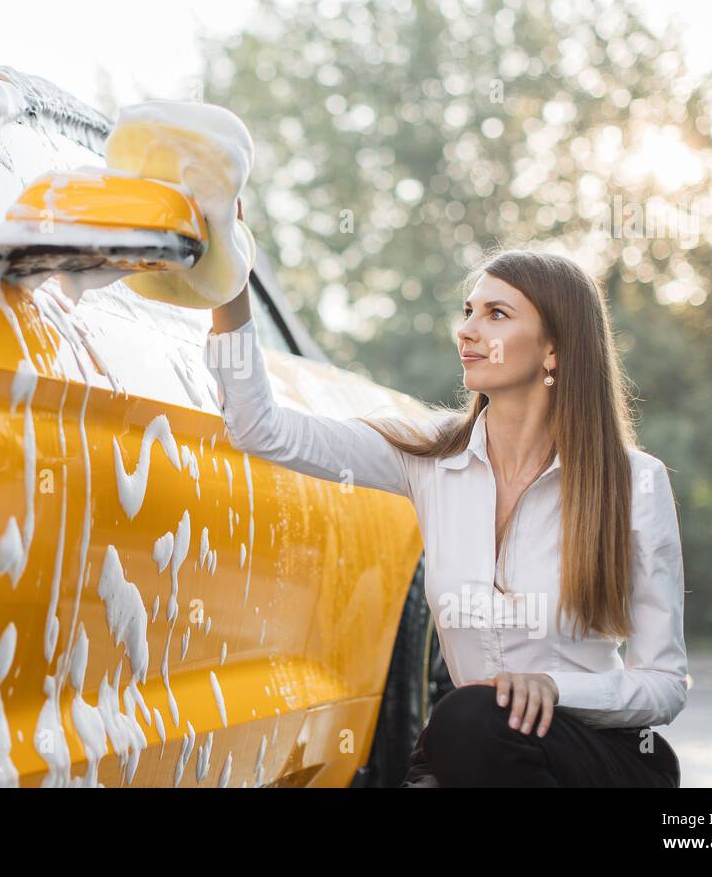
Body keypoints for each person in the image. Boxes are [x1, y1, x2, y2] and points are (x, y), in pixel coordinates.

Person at [205, 208, 687, 787]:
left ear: (554, 350)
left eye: (496, 314)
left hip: (595, 760)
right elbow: (262, 430)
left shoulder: (635, 482)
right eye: (468, 313)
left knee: (466, 718)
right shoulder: (429, 458)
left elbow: (663, 685)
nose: (467, 330)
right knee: (464, 724)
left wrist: (556, 688)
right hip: (475, 749)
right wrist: (229, 280)